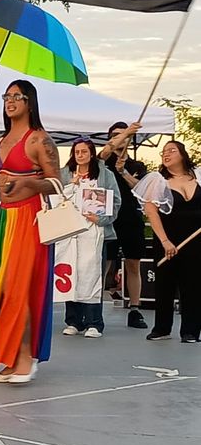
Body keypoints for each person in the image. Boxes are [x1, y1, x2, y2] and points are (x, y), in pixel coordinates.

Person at [0, 80, 61, 384]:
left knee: (19, 287)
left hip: (29, 217)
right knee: (5, 289)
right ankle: (9, 360)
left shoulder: (39, 139)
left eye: (17, 96)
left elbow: (56, 183)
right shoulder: (3, 139)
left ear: (29, 103)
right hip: (6, 219)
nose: (10, 101)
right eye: (6, 96)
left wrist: (28, 183)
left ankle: (25, 359)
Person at [133, 141, 201, 343]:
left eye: (172, 150)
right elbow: (151, 212)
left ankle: (191, 331)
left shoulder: (198, 176)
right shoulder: (158, 180)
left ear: (183, 154)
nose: (166, 154)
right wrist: (165, 241)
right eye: (163, 152)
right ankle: (162, 328)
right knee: (165, 284)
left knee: (194, 285)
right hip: (167, 239)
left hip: (196, 241)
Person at [59, 137, 121, 338]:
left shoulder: (104, 174)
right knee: (72, 275)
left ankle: (94, 322)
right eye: (77, 152)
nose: (80, 155)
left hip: (94, 232)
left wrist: (102, 219)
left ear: (92, 153)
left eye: (84, 151)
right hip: (70, 233)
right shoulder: (65, 173)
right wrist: (71, 185)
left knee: (93, 275)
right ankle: (73, 321)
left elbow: (116, 200)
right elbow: (55, 198)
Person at [98, 121, 149, 328]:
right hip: (108, 219)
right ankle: (95, 310)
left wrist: (123, 172)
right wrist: (126, 131)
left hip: (131, 219)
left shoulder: (138, 166)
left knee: (133, 264)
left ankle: (135, 309)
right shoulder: (103, 162)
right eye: (114, 135)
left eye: (122, 135)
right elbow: (103, 153)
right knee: (104, 264)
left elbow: (143, 190)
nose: (118, 139)